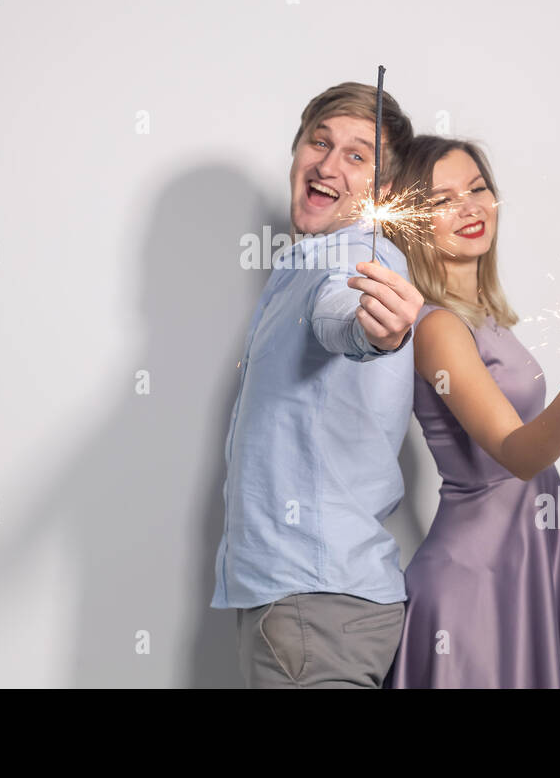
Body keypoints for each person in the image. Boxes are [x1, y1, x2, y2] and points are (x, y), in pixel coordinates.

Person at [382, 136, 560, 688]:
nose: (469, 207)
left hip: (522, 564)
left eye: (478, 188)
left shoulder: (486, 316)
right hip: (474, 583)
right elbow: (516, 455)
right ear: (414, 222)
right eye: (443, 200)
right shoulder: (439, 327)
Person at [210, 81, 425, 688]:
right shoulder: (298, 265)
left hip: (315, 605)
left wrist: (376, 330)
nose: (328, 164)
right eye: (319, 142)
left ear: (383, 192)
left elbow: (345, 314)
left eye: (357, 156)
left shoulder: (358, 257)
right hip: (297, 603)